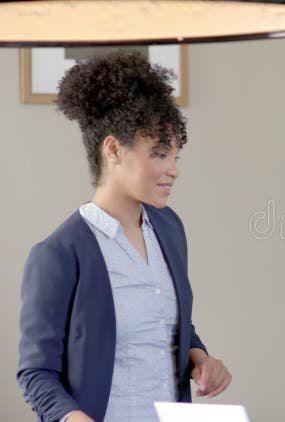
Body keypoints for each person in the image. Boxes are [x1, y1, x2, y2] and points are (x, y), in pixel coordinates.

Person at [17, 52, 232, 422]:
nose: (174, 170)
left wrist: (201, 358)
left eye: (176, 155)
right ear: (114, 149)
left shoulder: (170, 228)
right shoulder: (59, 254)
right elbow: (36, 374)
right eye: (160, 154)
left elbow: (171, 325)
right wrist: (74, 418)